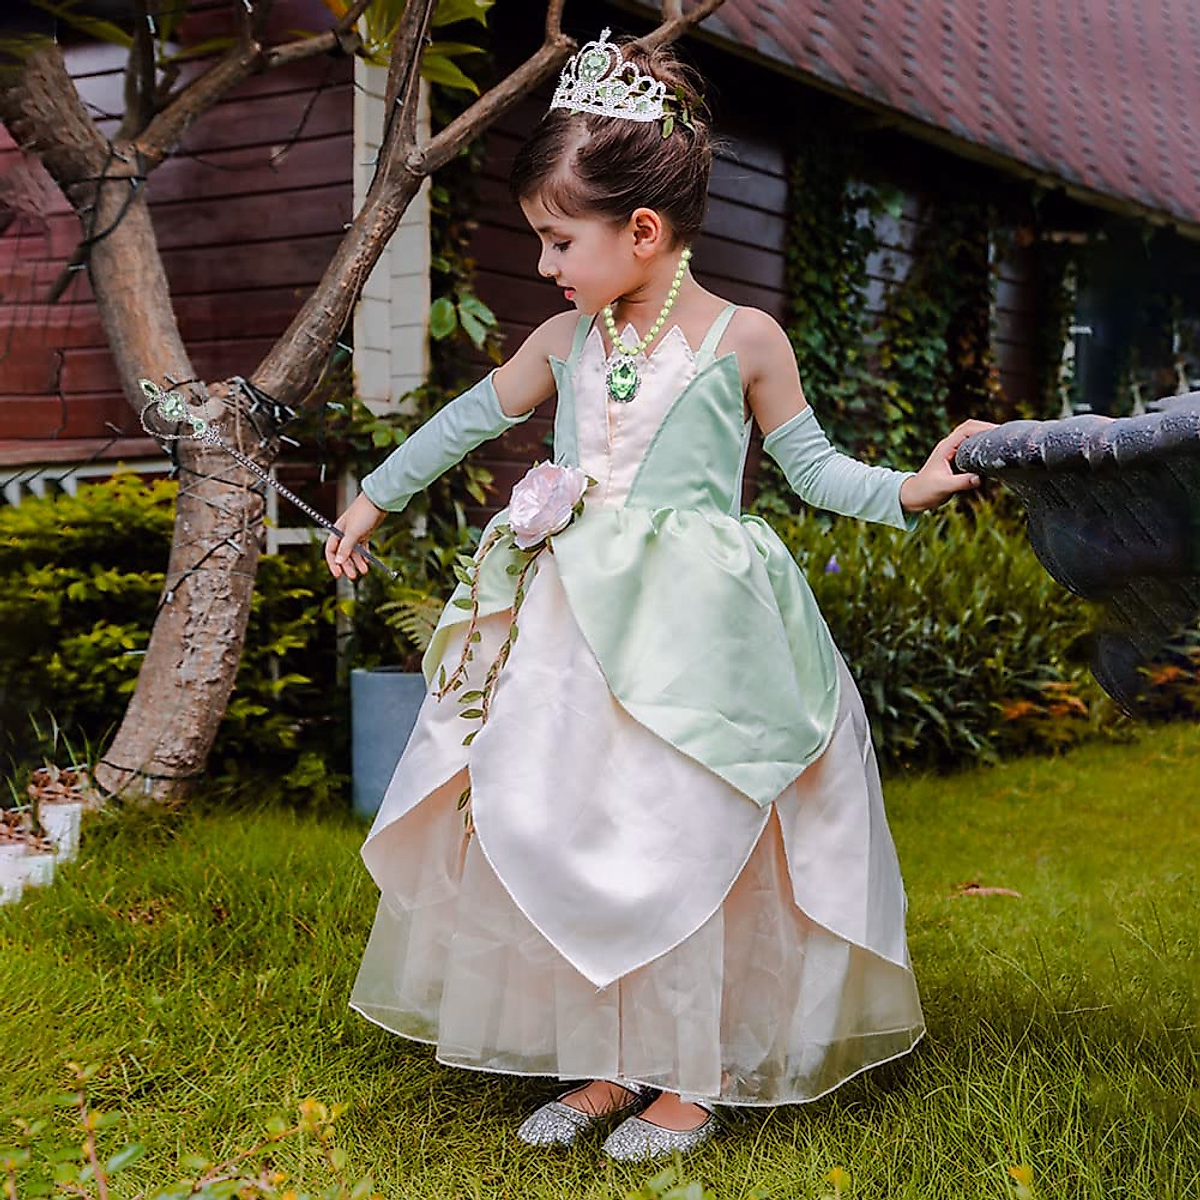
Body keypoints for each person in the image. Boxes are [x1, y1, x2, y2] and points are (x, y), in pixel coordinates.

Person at [325, 29, 991, 1163]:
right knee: (577, 824)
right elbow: (469, 420)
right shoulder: (563, 337)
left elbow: (813, 469)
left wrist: (909, 489)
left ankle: (691, 1074)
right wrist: (372, 500)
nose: (547, 264)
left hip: (698, 635)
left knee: (685, 825)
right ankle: (605, 1059)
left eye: (559, 241)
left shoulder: (745, 339)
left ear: (641, 230)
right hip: (575, 628)